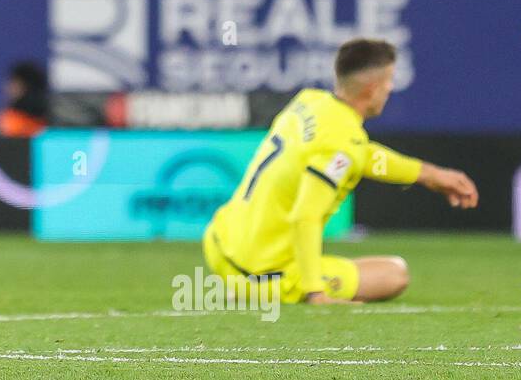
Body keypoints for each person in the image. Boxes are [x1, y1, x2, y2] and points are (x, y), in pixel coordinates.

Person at [202, 38, 478, 304]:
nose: (390, 89)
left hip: (219, 245)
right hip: (259, 272)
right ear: (371, 89)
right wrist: (315, 292)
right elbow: (305, 216)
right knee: (395, 273)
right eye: (388, 82)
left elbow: (361, 154)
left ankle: (251, 286)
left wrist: (429, 174)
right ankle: (262, 291)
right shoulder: (341, 143)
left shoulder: (310, 102)